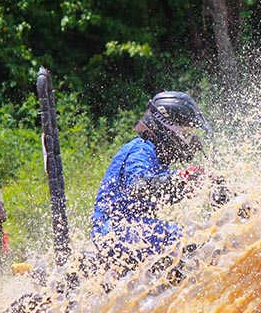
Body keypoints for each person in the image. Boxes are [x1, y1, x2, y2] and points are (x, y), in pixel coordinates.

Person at [91, 91, 229, 273]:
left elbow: (163, 186)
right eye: (187, 132)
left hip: (130, 232)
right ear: (168, 127)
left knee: (198, 239)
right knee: (189, 241)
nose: (191, 140)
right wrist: (183, 178)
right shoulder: (140, 150)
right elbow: (138, 186)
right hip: (116, 232)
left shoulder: (157, 161)